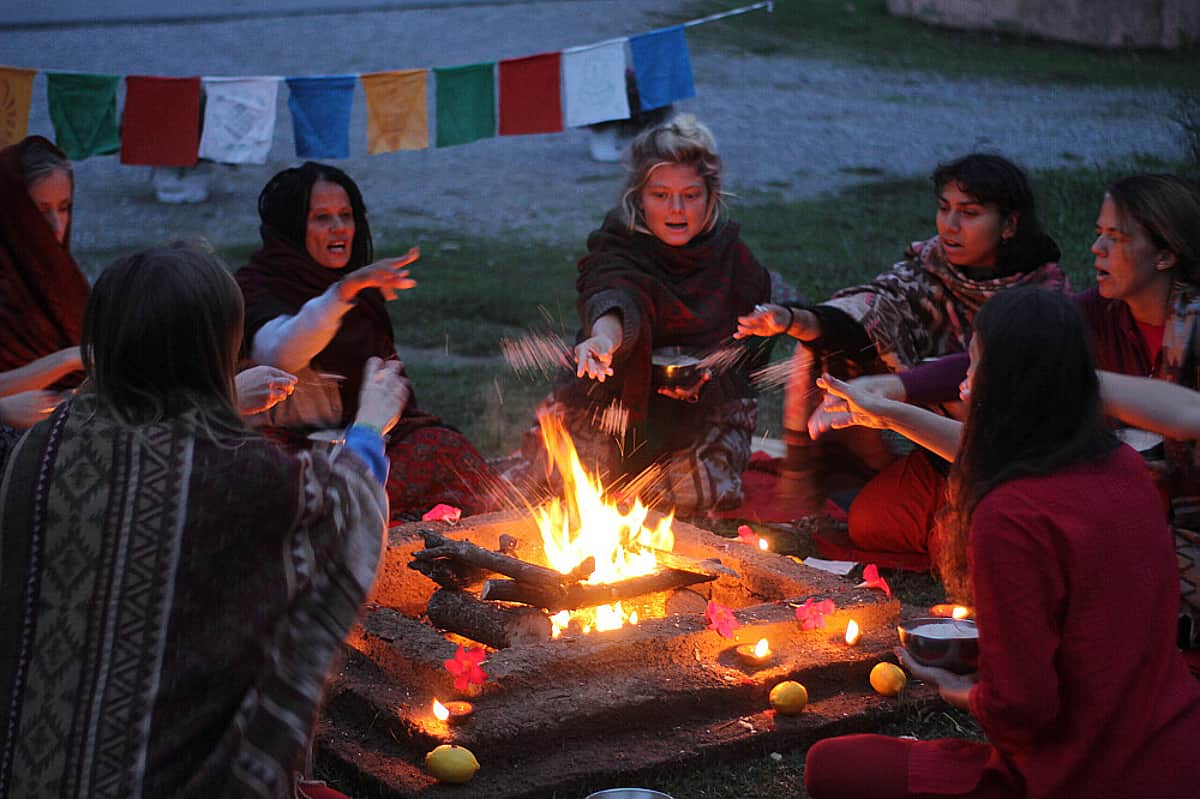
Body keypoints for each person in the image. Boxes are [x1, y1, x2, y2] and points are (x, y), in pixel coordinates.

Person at [0, 242, 403, 798]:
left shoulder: (41, 446)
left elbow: (145, 435)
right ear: (216, 351)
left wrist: (225, 405)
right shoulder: (230, 475)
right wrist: (369, 428)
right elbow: (343, 516)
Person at [804, 287, 1200, 799]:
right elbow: (989, 451)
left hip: (1088, 773)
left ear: (1004, 385)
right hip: (1179, 745)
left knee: (831, 766)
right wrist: (886, 413)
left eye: (972, 367)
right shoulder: (1122, 468)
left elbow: (1025, 711)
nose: (963, 384)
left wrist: (961, 690)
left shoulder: (1010, 518)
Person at [821, 174, 1200, 639]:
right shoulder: (1095, 316)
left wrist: (1048, 375)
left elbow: (1189, 415)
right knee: (886, 519)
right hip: (1077, 496)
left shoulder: (1178, 336)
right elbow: (996, 417)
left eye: (1116, 238)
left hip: (1154, 523)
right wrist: (891, 402)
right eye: (1098, 232)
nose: (1096, 248)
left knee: (1012, 533)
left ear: (1166, 254)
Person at [735, 153, 1068, 527]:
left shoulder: (1042, 298)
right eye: (944, 209)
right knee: (836, 347)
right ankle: (858, 476)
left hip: (1006, 453)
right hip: (926, 428)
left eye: (970, 213)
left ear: (1009, 224)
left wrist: (905, 389)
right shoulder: (927, 268)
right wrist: (793, 319)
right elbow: (871, 309)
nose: (951, 225)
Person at [507, 114, 773, 513]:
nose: (676, 209)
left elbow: (748, 361)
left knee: (693, 490)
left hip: (703, 414)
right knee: (567, 480)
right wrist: (603, 340)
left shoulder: (738, 266)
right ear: (638, 195)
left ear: (712, 195)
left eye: (691, 194)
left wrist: (710, 379)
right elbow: (616, 297)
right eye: (660, 195)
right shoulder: (620, 247)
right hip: (616, 401)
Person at [235, 161, 500, 519]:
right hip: (290, 445)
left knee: (446, 451)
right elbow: (279, 351)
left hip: (365, 438)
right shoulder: (257, 286)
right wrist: (341, 293)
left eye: (346, 215)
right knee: (278, 484)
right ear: (292, 229)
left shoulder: (363, 292)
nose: (339, 228)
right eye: (321, 218)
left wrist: (374, 421)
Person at [0, 136, 89, 423]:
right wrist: (68, 359)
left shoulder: (62, 279)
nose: (56, 225)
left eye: (63, 208)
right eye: (40, 212)